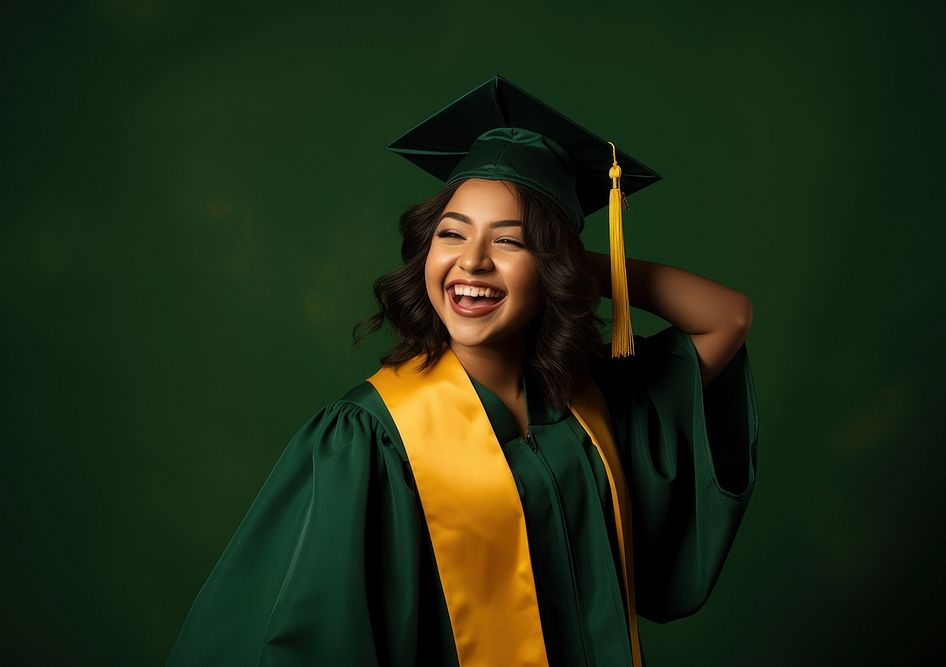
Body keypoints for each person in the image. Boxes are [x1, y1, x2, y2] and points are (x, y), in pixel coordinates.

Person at [166, 75, 759, 666]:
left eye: (508, 242)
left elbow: (727, 318)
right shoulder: (369, 438)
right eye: (451, 234)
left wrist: (572, 262)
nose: (471, 262)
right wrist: (522, 249)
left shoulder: (590, 400)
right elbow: (302, 636)